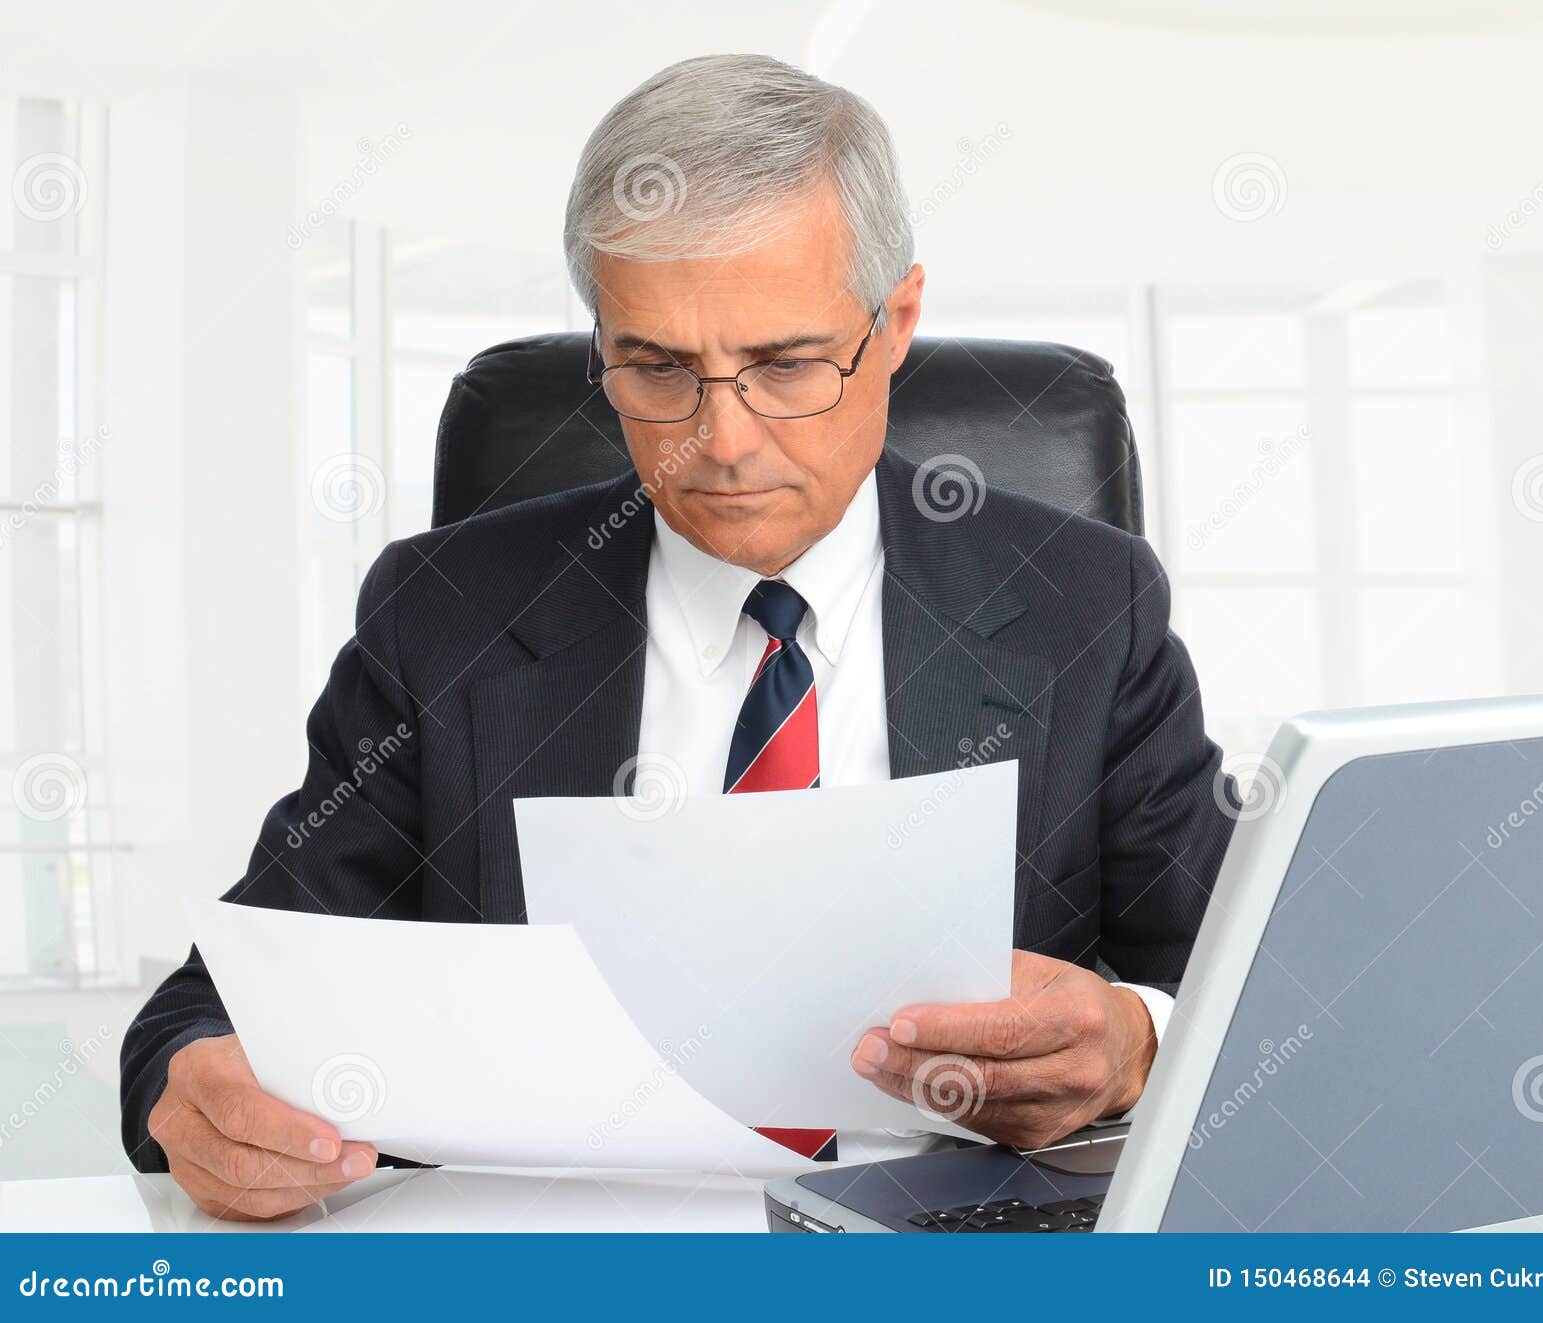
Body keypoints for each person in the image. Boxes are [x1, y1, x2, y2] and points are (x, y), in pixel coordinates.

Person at [120, 52, 1234, 1221]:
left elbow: (1260, 994)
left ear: (894, 321)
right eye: (658, 369)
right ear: (601, 342)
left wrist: (1134, 1041)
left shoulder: (1083, 606)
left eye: (786, 365)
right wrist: (197, 1089)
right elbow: (218, 1007)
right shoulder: (444, 615)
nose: (723, 441)